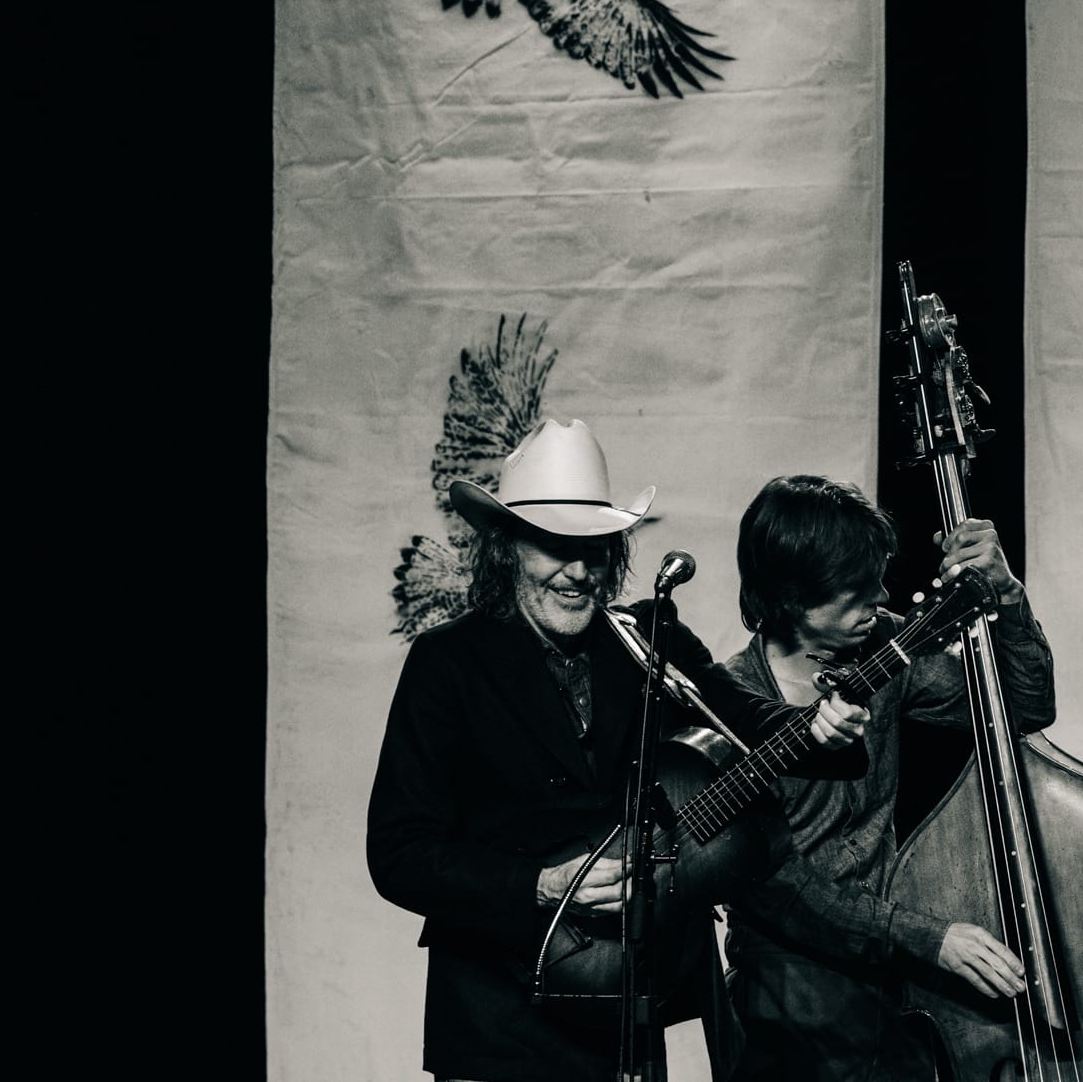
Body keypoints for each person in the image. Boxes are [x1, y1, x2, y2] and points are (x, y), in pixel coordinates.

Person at [366, 418, 868, 1082]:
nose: (579, 571)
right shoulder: (447, 662)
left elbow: (746, 719)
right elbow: (398, 853)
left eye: (596, 547)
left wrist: (821, 729)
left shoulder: (649, 639)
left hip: (640, 1006)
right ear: (507, 545)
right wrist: (543, 888)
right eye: (553, 546)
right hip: (499, 1021)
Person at [710, 474, 1057, 1082]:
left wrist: (1007, 596)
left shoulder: (882, 647)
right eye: (853, 588)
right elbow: (777, 886)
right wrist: (928, 937)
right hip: (787, 1004)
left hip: (895, 992)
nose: (878, 596)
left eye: (876, 577)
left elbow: (1024, 708)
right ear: (791, 595)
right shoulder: (726, 701)